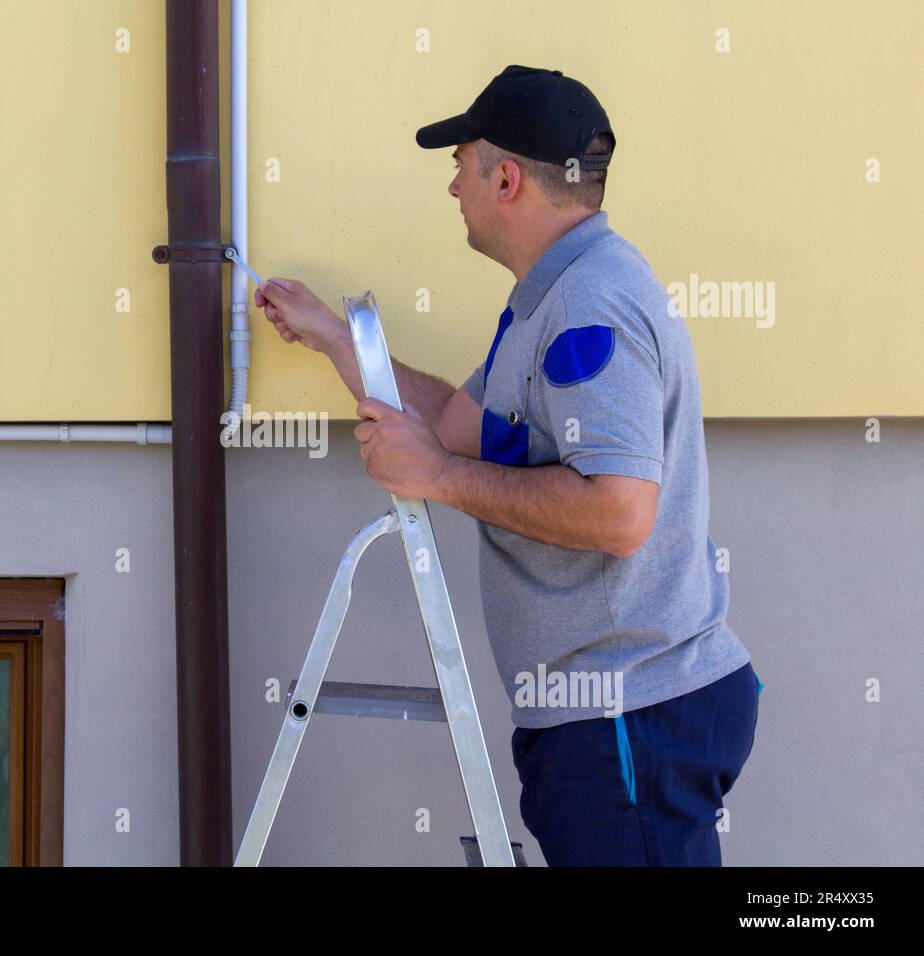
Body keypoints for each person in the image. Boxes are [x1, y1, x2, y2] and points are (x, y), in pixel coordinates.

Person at [252, 65, 760, 866]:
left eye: (460, 162)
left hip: (627, 717)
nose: (453, 185)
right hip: (603, 719)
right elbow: (452, 427)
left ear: (509, 178)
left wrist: (436, 481)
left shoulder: (590, 305)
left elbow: (621, 512)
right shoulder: (545, 301)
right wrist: (330, 337)